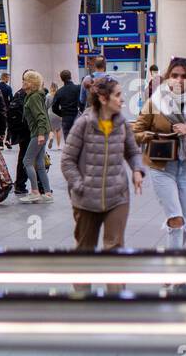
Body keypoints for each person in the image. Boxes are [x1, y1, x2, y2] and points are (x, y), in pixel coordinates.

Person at [62, 73, 145, 251]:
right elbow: (67, 160)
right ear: (103, 98)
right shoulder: (83, 124)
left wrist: (137, 170)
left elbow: (133, 151)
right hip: (86, 200)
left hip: (117, 196)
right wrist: (80, 185)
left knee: (115, 249)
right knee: (85, 250)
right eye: (117, 95)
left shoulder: (122, 124)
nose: (122, 100)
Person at [134, 56, 186, 250]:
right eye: (174, 75)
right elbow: (136, 133)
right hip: (162, 166)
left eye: (184, 76)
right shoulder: (155, 102)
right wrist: (150, 135)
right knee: (176, 219)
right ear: (167, 77)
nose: (179, 80)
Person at [18, 70, 53, 203]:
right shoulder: (36, 96)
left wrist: (40, 134)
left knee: (27, 161)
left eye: (25, 80)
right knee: (39, 163)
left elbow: (41, 117)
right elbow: (44, 115)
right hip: (41, 132)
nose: (23, 82)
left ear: (31, 83)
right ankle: (47, 193)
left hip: (38, 133)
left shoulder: (33, 98)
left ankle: (34, 192)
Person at [51, 69, 81, 142]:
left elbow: (54, 107)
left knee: (68, 141)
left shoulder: (59, 92)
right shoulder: (78, 88)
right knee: (78, 139)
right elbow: (83, 101)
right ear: (71, 76)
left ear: (61, 79)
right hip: (77, 116)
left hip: (66, 118)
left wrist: (62, 114)